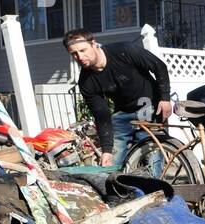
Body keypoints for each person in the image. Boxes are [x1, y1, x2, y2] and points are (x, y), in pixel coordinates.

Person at [64, 29, 173, 168]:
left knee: (151, 155)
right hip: (123, 112)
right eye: (74, 53)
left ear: (94, 44)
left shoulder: (124, 51)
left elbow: (158, 66)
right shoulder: (86, 83)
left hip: (147, 106)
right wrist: (107, 150)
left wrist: (165, 98)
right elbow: (101, 115)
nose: (79, 57)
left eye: (83, 50)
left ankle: (154, 186)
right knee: (111, 163)